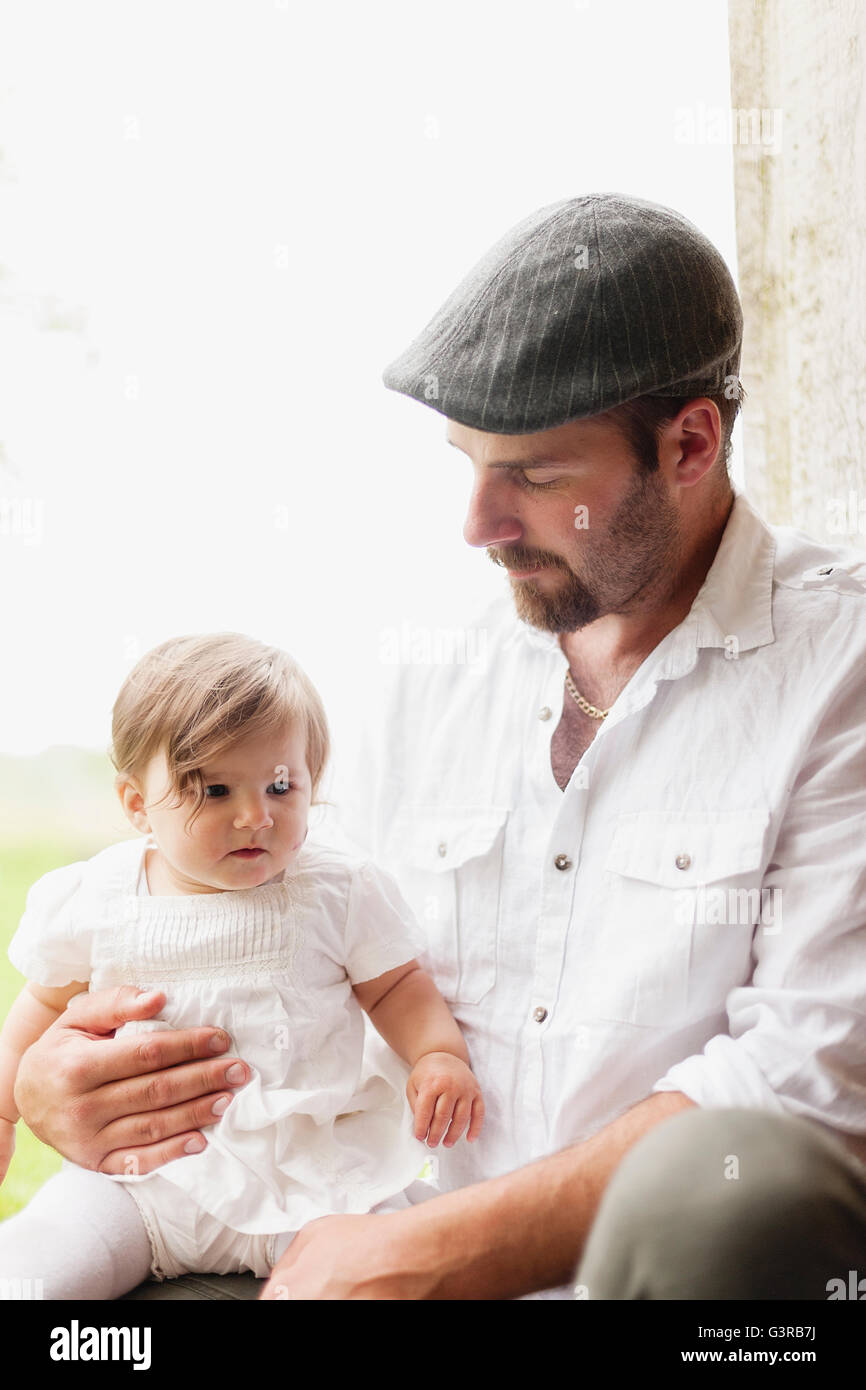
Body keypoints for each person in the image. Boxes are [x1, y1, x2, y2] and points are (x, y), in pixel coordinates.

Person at [13, 193, 866, 1301]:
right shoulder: (434, 679)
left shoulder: (836, 666)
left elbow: (808, 1086)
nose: (478, 522)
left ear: (689, 442)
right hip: (377, 1243)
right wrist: (56, 1076)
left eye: (539, 475)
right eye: (467, 462)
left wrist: (438, 1252)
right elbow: (307, 946)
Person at [0, 633, 483, 1299]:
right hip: (139, 1186)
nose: (255, 815)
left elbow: (397, 984)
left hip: (310, 1179)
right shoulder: (100, 897)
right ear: (137, 803)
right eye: (216, 790)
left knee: (393, 1262)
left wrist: (437, 1054)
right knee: (32, 1270)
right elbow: (41, 1011)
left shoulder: (336, 890)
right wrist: (3, 1109)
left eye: (280, 786)